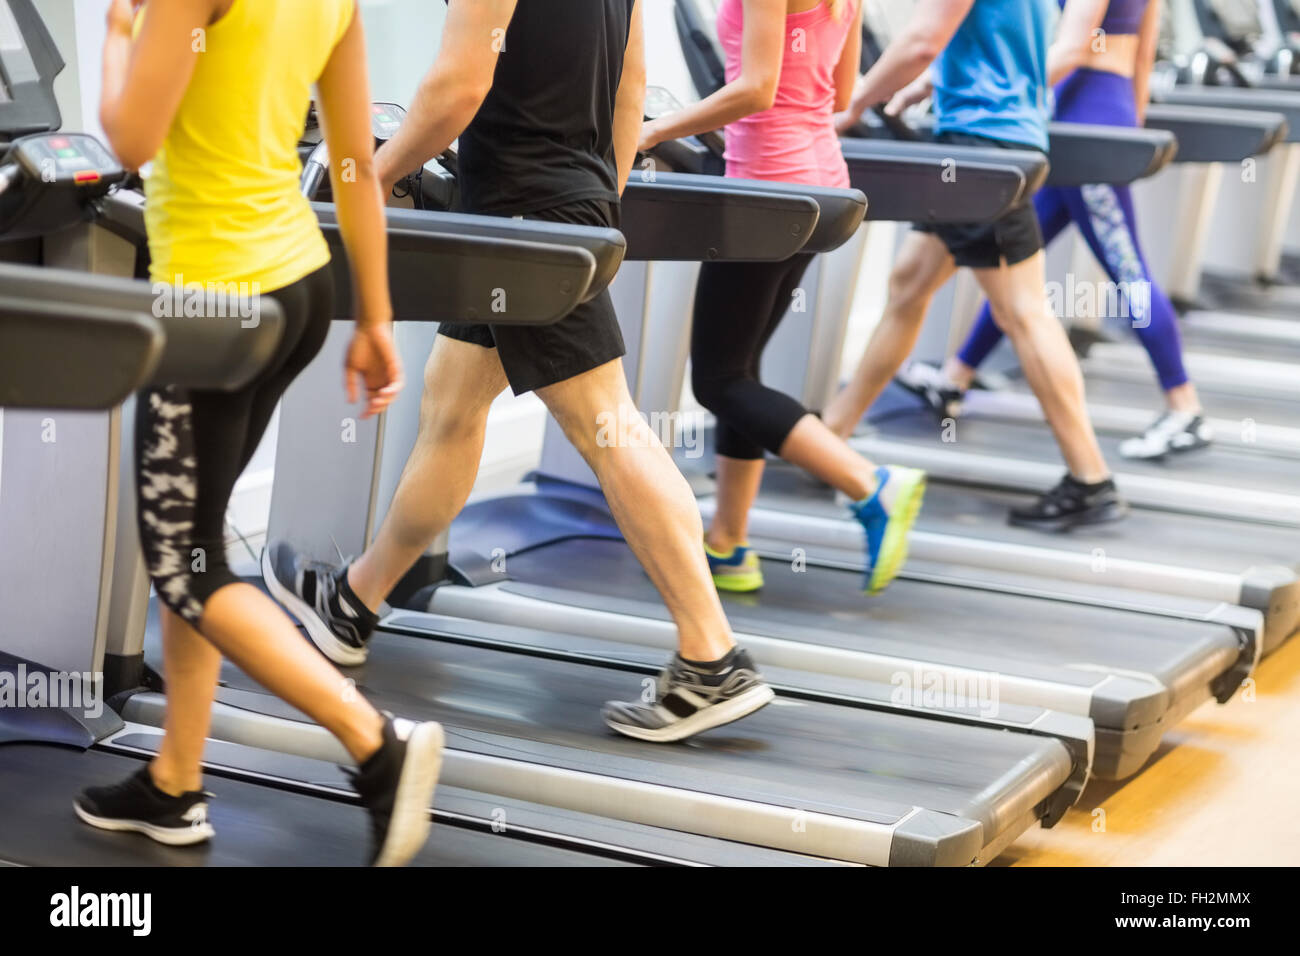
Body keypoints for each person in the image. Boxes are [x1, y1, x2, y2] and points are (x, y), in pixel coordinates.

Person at [263, 0, 775, 744]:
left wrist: (371, 176)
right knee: (451, 409)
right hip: (556, 203)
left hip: (517, 212)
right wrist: (601, 199)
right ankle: (356, 601)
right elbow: (630, 85)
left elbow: (459, 87)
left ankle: (711, 658)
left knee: (607, 422)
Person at [83, 0, 443, 867]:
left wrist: (118, 34)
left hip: (212, 306)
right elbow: (356, 162)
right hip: (299, 289)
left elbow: (129, 140)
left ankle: (376, 746)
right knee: (197, 550)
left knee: (183, 564)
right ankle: (174, 780)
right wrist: (378, 316)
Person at [637, 0, 926, 595]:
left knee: (716, 381)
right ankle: (729, 543)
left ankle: (869, 483)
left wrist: (656, 129)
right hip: (819, 183)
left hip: (768, 186)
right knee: (742, 370)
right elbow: (840, 92)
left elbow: (757, 89)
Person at [826, 0, 1129, 532]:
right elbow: (1003, 44)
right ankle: (830, 442)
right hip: (996, 134)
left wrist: (852, 105)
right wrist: (936, 85)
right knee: (909, 287)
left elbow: (922, 39)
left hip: (979, 146)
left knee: (1024, 312)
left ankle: (1091, 480)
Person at [895, 0, 1212, 461]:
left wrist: (997, 95)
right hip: (1102, 110)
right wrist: (1130, 127)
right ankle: (956, 377)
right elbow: (1143, 53)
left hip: (1083, 116)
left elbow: (1072, 50)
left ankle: (1184, 404)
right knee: (1015, 268)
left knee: (1128, 272)